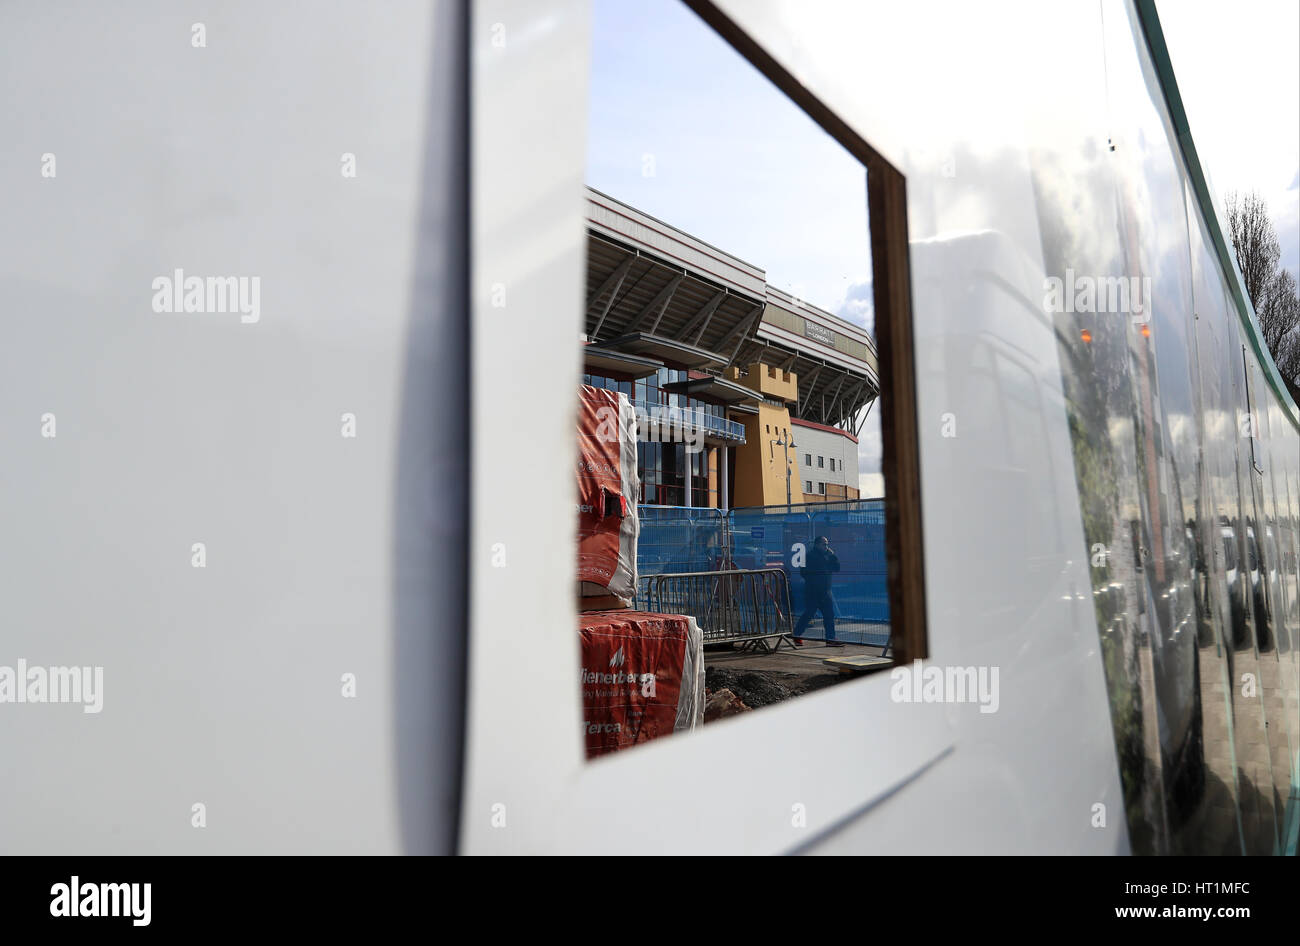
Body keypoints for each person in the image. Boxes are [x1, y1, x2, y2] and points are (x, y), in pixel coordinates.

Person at [793, 536, 843, 647]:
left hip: (825, 592)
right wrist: (814, 581)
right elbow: (803, 572)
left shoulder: (828, 555)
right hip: (813, 592)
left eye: (827, 544)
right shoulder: (809, 556)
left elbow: (837, 568)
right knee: (809, 614)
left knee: (829, 615)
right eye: (823, 544)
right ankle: (796, 634)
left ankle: (830, 639)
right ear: (817, 544)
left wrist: (833, 555)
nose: (826, 546)